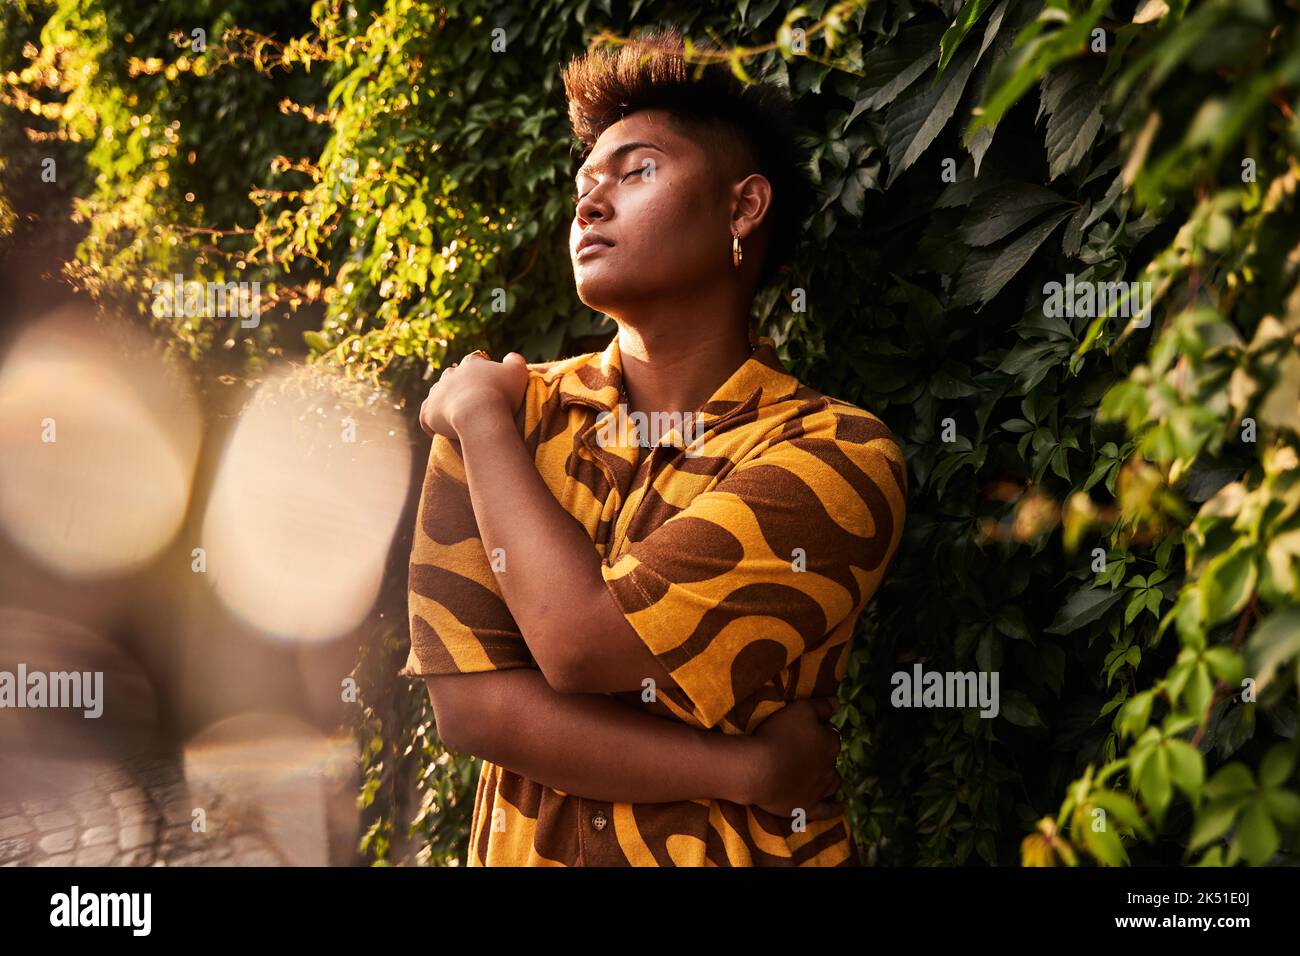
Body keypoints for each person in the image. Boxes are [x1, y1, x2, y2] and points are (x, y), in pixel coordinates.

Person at [402, 26, 907, 866]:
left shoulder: (836, 455)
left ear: (744, 206)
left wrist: (479, 423)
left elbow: (582, 645)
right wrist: (743, 767)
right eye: (584, 187)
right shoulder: (513, 411)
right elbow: (474, 711)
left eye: (637, 172)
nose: (590, 204)